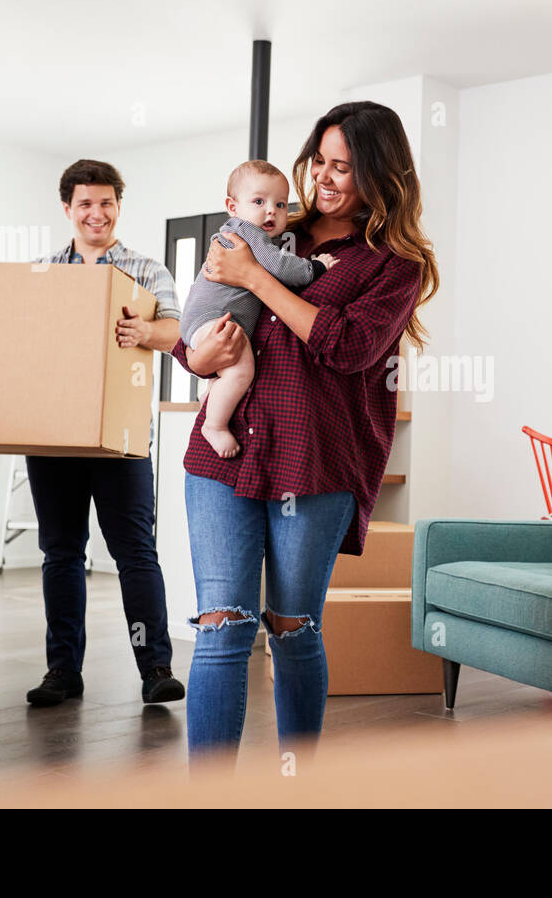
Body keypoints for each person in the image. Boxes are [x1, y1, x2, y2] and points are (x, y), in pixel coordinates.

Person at [171, 101, 438, 758]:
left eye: (343, 166)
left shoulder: (394, 264)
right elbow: (208, 323)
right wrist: (193, 357)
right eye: (320, 159)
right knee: (222, 626)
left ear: (380, 174)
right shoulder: (270, 225)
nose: (324, 175)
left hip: (315, 465)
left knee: (292, 627)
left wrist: (256, 277)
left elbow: (348, 347)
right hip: (224, 457)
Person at [24, 158, 186, 707]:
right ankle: (62, 672)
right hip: (54, 436)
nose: (97, 212)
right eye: (86, 203)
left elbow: (176, 331)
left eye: (107, 202)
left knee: (135, 552)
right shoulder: (42, 270)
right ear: (68, 209)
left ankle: (155, 668)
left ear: (119, 205)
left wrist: (147, 329)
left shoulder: (145, 269)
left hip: (121, 437)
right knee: (61, 552)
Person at [178, 159, 340, 458]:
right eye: (259, 201)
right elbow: (279, 266)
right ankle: (213, 424)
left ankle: (213, 391)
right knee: (242, 370)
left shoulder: (241, 233)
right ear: (232, 206)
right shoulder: (247, 233)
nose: (271, 211)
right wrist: (315, 267)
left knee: (230, 364)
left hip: (202, 322)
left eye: (280, 204)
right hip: (211, 320)